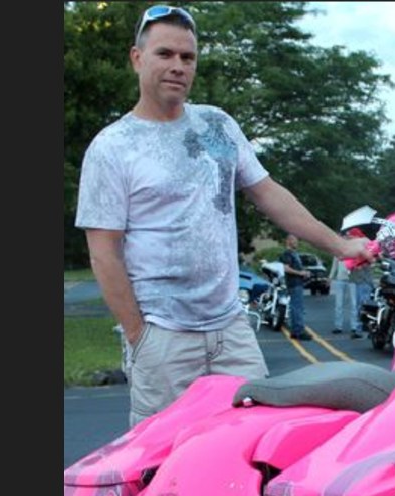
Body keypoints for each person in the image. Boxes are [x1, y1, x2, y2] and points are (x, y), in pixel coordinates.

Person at [74, 4, 373, 427]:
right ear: (137, 59)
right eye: (165, 54)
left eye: (187, 57)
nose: (178, 66)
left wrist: (342, 246)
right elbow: (104, 253)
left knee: (252, 449)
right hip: (163, 336)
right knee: (164, 468)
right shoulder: (112, 147)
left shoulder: (217, 126)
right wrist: (140, 337)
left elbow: (271, 196)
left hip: (231, 331)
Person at [278, 234, 314, 341]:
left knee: (297, 307)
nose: (296, 242)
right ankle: (299, 331)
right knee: (297, 308)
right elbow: (285, 268)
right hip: (294, 283)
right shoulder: (287, 254)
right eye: (294, 240)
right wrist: (300, 273)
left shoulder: (294, 254)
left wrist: (304, 273)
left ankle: (295, 331)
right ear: (288, 241)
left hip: (297, 283)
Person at [328, 246, 362, 338]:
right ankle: (338, 326)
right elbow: (334, 265)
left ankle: (354, 326)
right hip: (340, 279)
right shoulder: (338, 252)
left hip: (352, 279)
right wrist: (331, 277)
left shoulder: (353, 252)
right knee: (339, 304)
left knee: (353, 304)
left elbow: (358, 264)